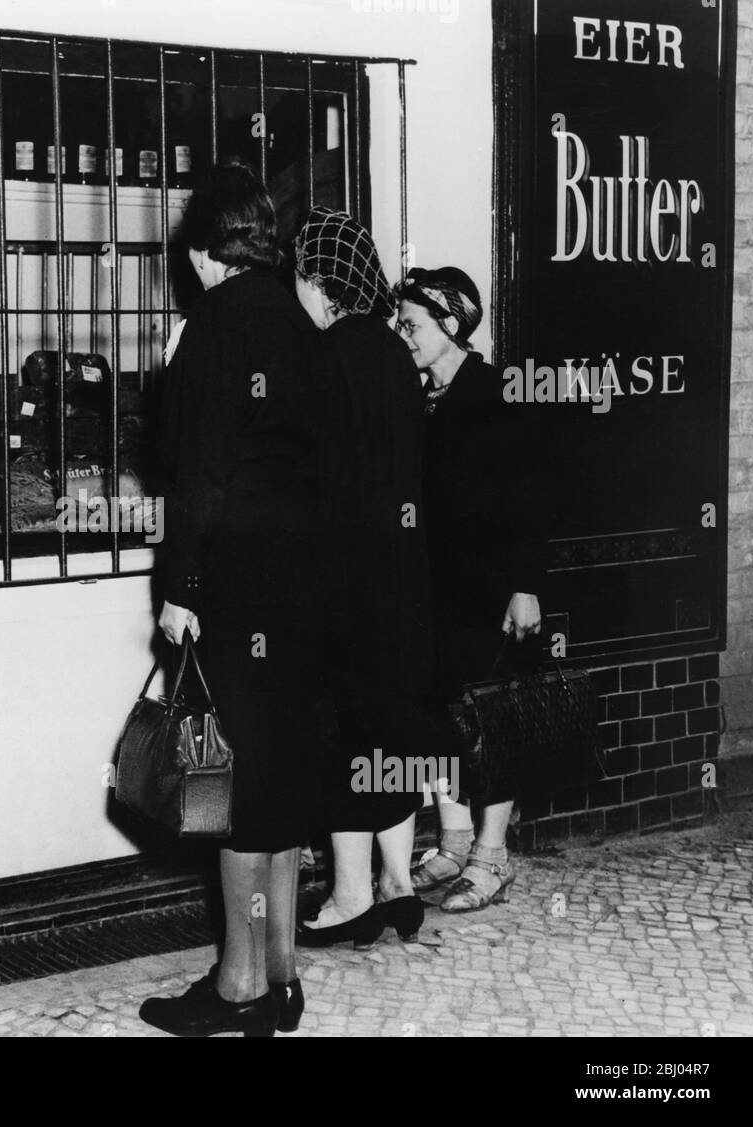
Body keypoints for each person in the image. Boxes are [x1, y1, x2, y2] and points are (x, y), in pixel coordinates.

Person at [138, 160, 322, 1037]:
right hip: (298, 591)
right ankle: (281, 972)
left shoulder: (214, 324)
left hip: (234, 590)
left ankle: (241, 984)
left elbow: (199, 472)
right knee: (276, 780)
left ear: (210, 252)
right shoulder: (298, 316)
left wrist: (181, 588)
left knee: (233, 787)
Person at [292, 208, 449, 949]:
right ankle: (399, 882)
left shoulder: (320, 359)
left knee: (341, 735)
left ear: (322, 286)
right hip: (400, 577)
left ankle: (353, 894)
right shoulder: (394, 355)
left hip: (343, 582)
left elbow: (309, 482)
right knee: (389, 731)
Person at [395, 266, 549, 911]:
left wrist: (525, 587)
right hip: (433, 589)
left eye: (413, 325)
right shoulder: (417, 395)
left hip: (487, 590)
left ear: (450, 326)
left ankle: (492, 857)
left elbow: (529, 499)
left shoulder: (493, 394)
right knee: (440, 716)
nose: (402, 335)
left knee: (492, 722)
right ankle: (454, 844)